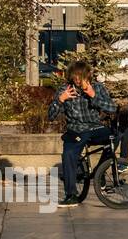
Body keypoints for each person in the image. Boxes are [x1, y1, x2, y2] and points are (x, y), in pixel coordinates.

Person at [49, 61, 117, 208]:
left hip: (95, 127)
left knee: (114, 137)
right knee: (69, 154)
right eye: (75, 78)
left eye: (81, 77)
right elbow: (51, 116)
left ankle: (100, 171)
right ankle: (71, 195)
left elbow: (112, 108)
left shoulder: (97, 88)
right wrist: (61, 100)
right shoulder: (64, 89)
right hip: (76, 129)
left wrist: (93, 96)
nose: (78, 81)